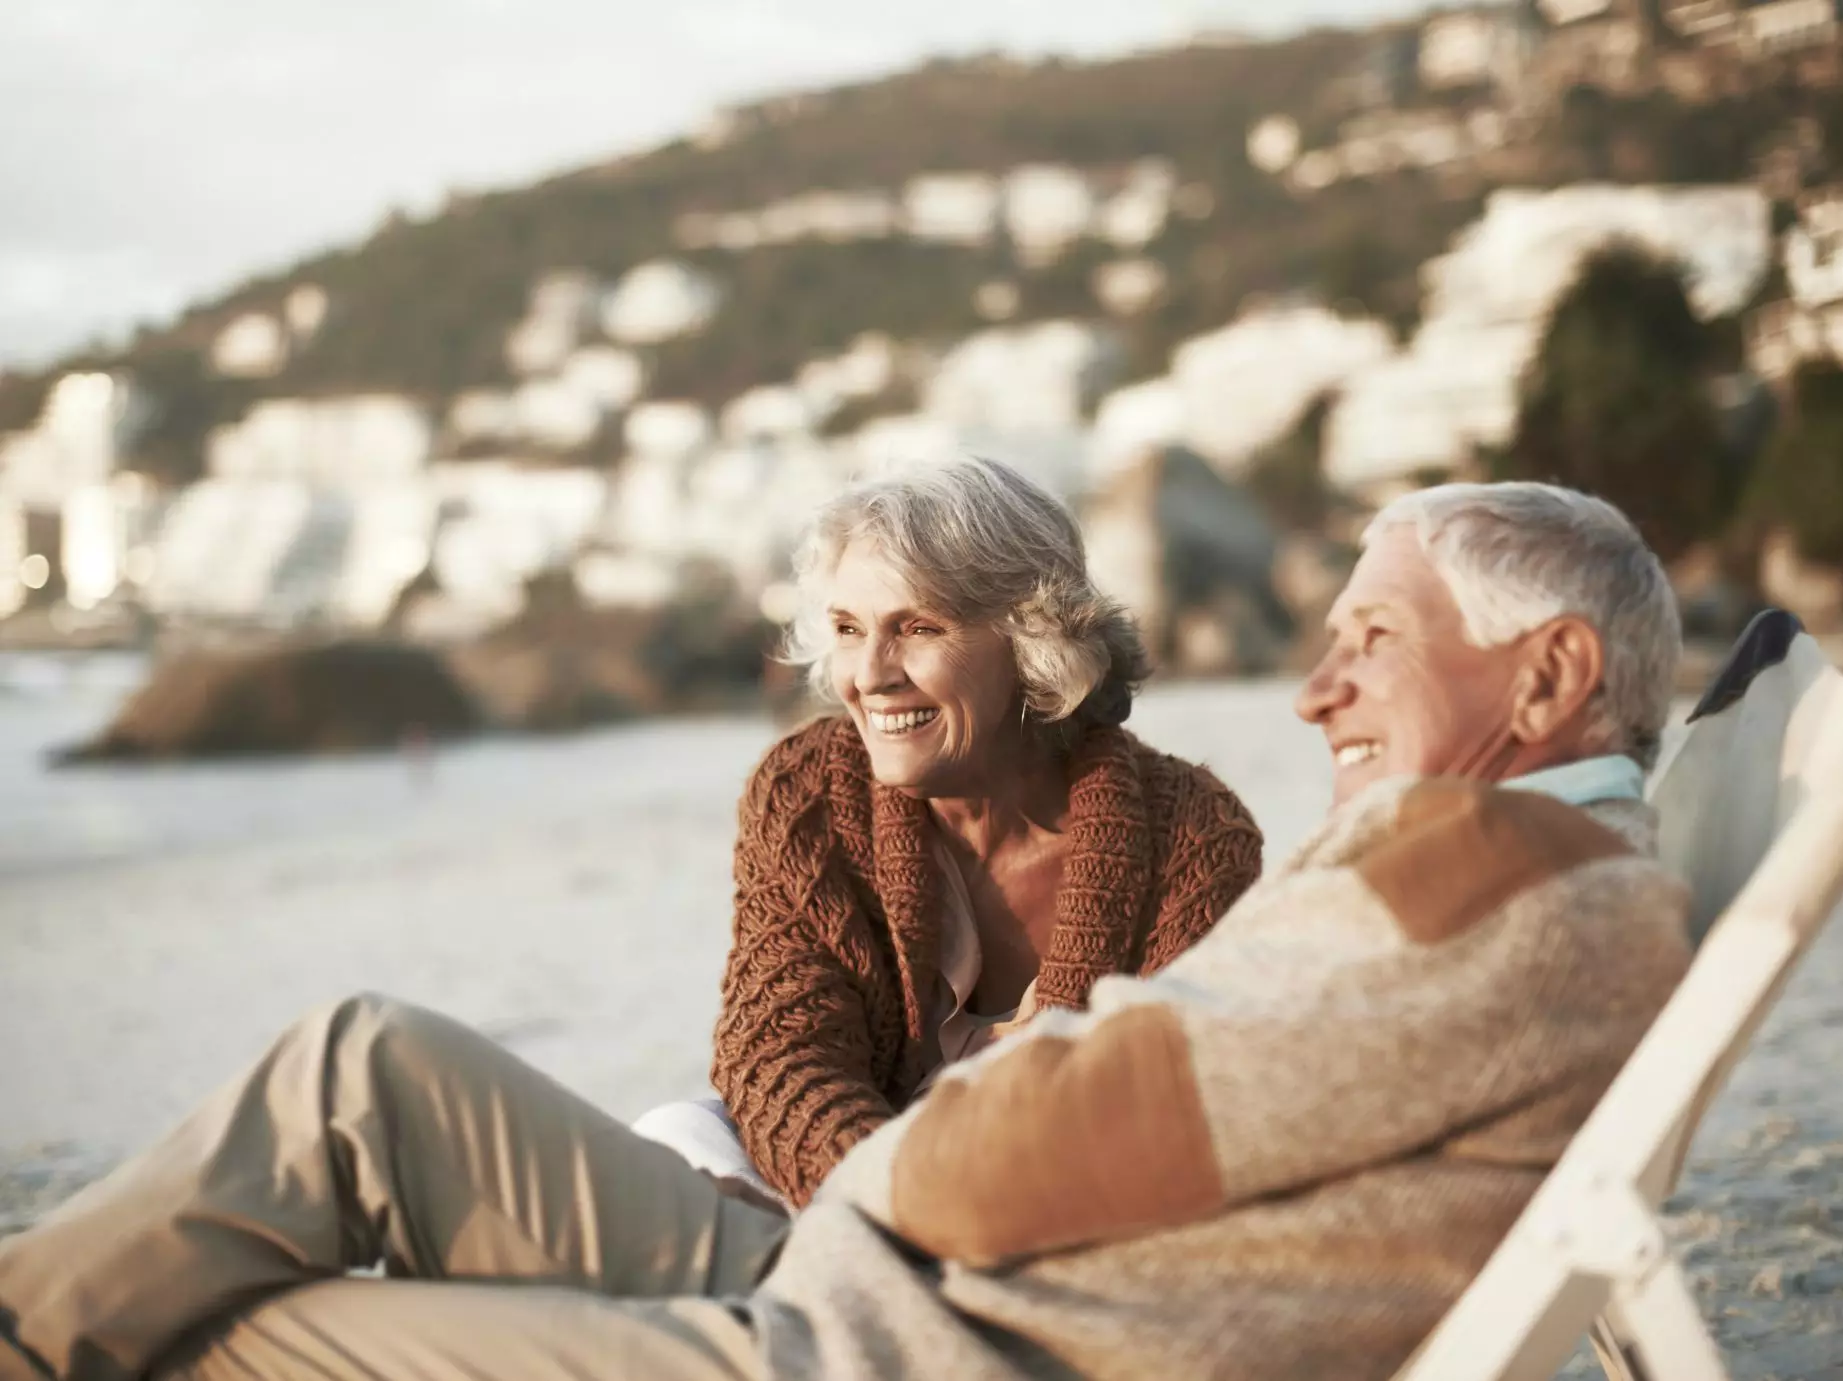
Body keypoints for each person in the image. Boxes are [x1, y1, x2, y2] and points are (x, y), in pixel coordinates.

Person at [0, 481, 1695, 1381]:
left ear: (1540, 676)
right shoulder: (1526, 890)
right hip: (898, 1277)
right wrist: (966, 1112)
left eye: (1370, 640)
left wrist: (951, 1123)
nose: (1315, 687)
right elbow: (913, 1073)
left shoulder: (1476, 875)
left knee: (229, 1331)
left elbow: (1062, 1131)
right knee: (357, 1064)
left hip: (898, 1336)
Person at [635, 457, 1264, 1208]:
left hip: (1053, 1217)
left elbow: (1164, 1108)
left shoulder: (1191, 833)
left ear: (1034, 640)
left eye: (918, 628)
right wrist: (899, 1211)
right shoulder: (808, 791)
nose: (870, 674)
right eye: (847, 628)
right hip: (860, 1200)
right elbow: (780, 1059)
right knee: (673, 1134)